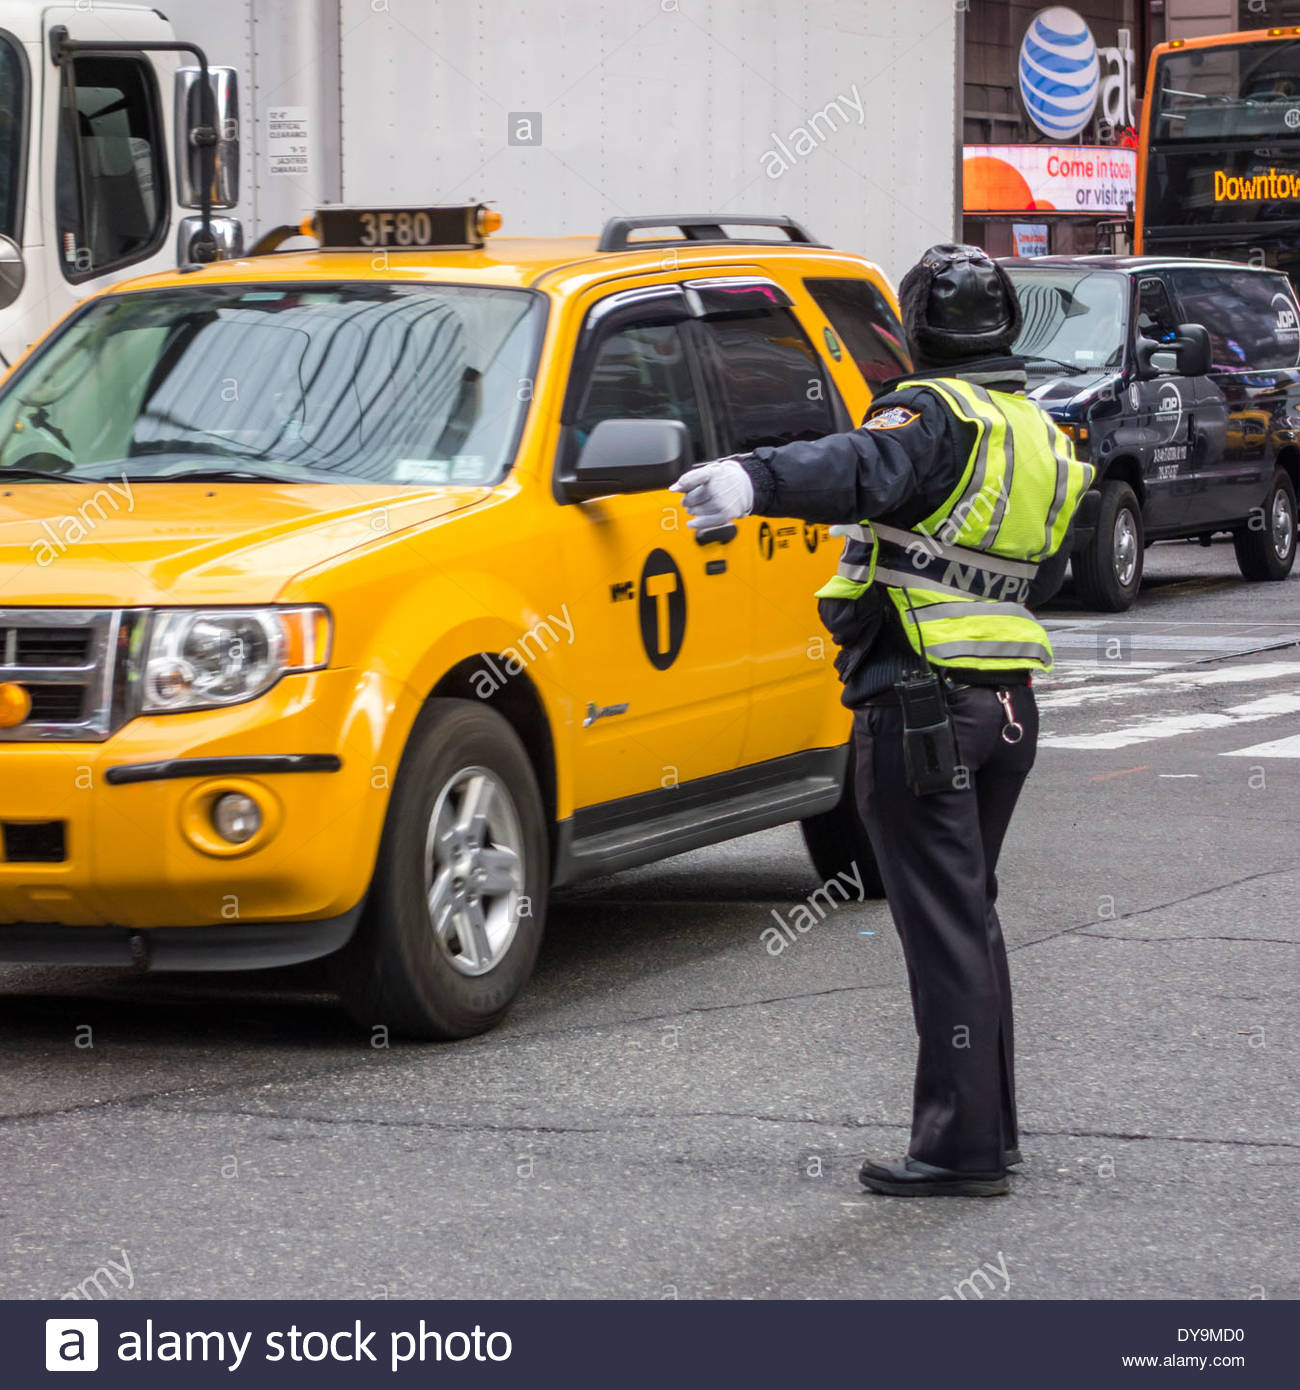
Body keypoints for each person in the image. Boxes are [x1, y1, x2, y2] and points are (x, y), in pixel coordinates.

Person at [673, 244, 1095, 1197]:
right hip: (1006, 705)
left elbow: (865, 462)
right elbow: (1045, 566)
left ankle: (958, 1152)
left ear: (914, 331)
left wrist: (752, 480)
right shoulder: (1034, 427)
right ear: (1008, 328)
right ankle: (990, 1133)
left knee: (944, 929)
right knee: (967, 918)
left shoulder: (931, 410)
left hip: (920, 703)